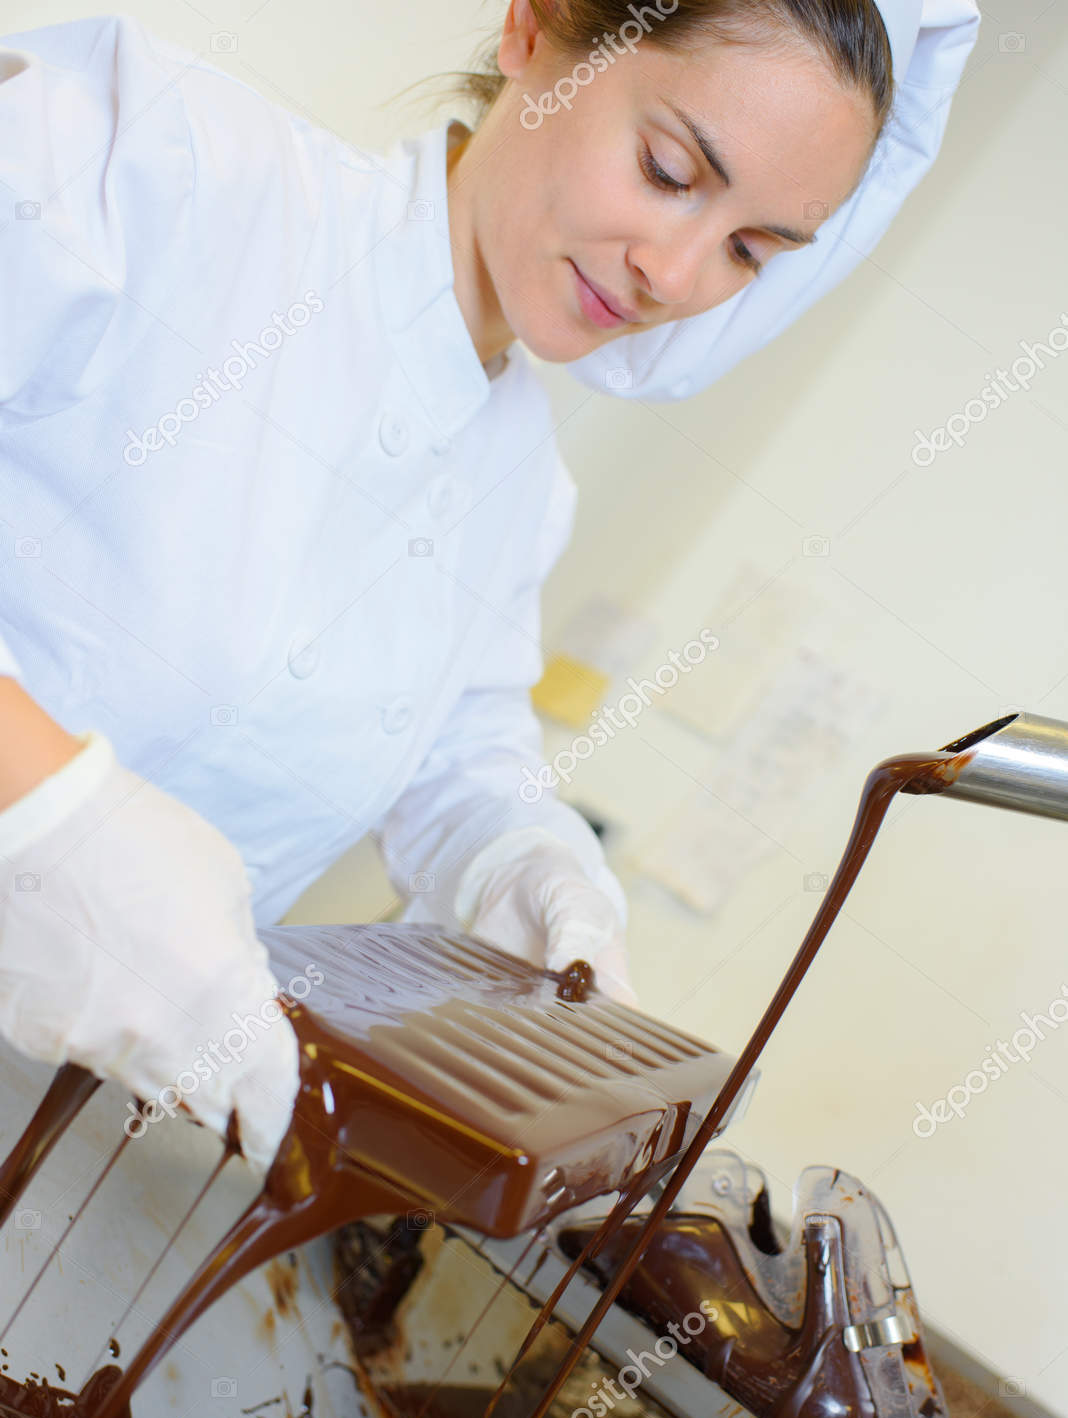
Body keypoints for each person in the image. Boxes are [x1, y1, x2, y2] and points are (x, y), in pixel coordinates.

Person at [0, 1, 979, 1173]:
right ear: (535, 29)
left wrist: (520, 858)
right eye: (669, 169)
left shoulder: (523, 484)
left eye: (748, 249)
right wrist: (49, 814)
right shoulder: (146, 155)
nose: (674, 273)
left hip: (71, 1135)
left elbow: (453, 749)